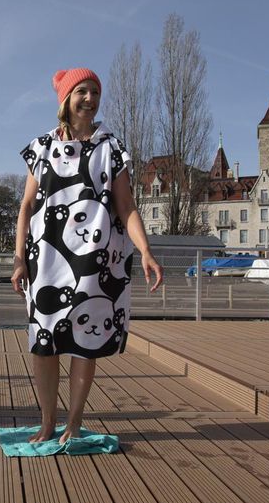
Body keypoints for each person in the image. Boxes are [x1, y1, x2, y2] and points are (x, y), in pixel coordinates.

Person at [11, 67, 163, 445]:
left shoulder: (111, 148)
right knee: (44, 342)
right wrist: (18, 258)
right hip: (46, 258)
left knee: (85, 341)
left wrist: (145, 250)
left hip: (97, 259)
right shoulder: (42, 146)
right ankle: (47, 422)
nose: (90, 99)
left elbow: (126, 206)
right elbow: (26, 207)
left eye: (95, 92)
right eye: (82, 91)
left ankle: (74, 422)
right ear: (66, 99)